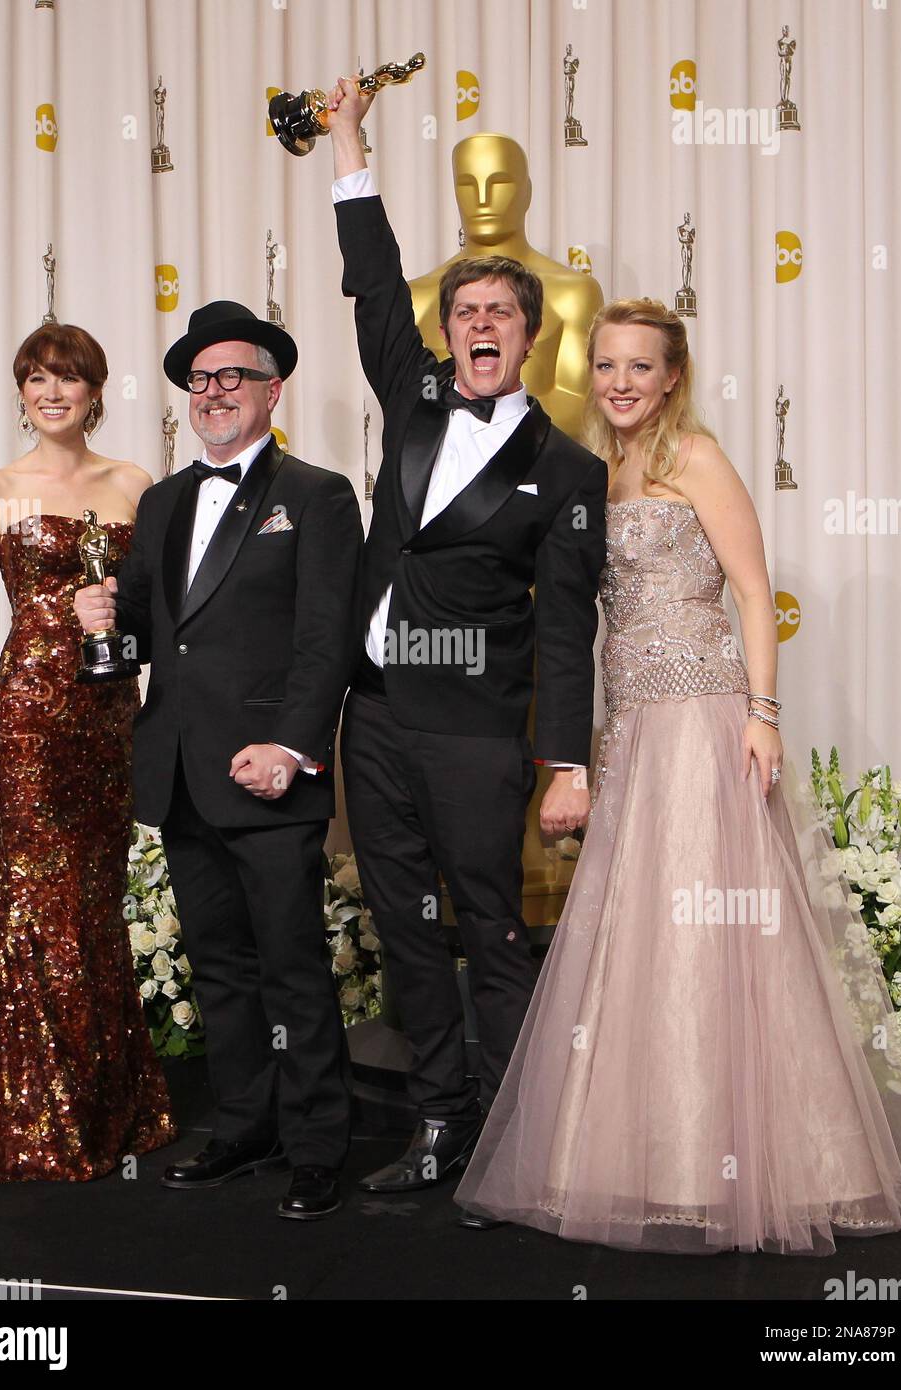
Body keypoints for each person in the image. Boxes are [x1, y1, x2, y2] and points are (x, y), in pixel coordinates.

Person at [455, 299, 901, 1251]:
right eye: (605, 366)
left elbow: (755, 592)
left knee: (711, 937)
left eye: (640, 367)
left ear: (671, 375)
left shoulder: (697, 459)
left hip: (706, 721)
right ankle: (650, 1156)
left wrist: (761, 714)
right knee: (637, 942)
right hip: (631, 727)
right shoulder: (590, 473)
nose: (620, 383)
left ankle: (755, 1159)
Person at [326, 79, 608, 1194]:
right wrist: (350, 143)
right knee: (405, 926)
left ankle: (510, 1142)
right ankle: (438, 1123)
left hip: (477, 731)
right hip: (377, 717)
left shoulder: (567, 471)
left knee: (490, 930)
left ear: (532, 339)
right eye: (466, 313)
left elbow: (573, 625)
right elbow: (368, 288)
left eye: (500, 315)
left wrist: (568, 760)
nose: (479, 327)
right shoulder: (414, 402)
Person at [74, 301, 363, 1220]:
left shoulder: (315, 494)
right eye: (201, 378)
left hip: (268, 771)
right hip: (183, 775)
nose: (214, 392)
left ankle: (318, 1144)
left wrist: (290, 746)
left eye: (233, 375)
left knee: (292, 965)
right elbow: (159, 630)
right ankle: (247, 1127)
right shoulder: (160, 500)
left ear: (273, 389)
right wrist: (107, 621)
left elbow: (329, 641)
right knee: (222, 968)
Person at [0, 323, 177, 1183]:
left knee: (96, 902)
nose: (51, 392)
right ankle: (32, 1111)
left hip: (108, 715)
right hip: (29, 716)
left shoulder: (137, 484)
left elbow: (158, 614)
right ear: (21, 392)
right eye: (36, 379)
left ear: (96, 390)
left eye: (67, 378)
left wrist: (122, 630)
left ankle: (110, 1104)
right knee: (36, 901)